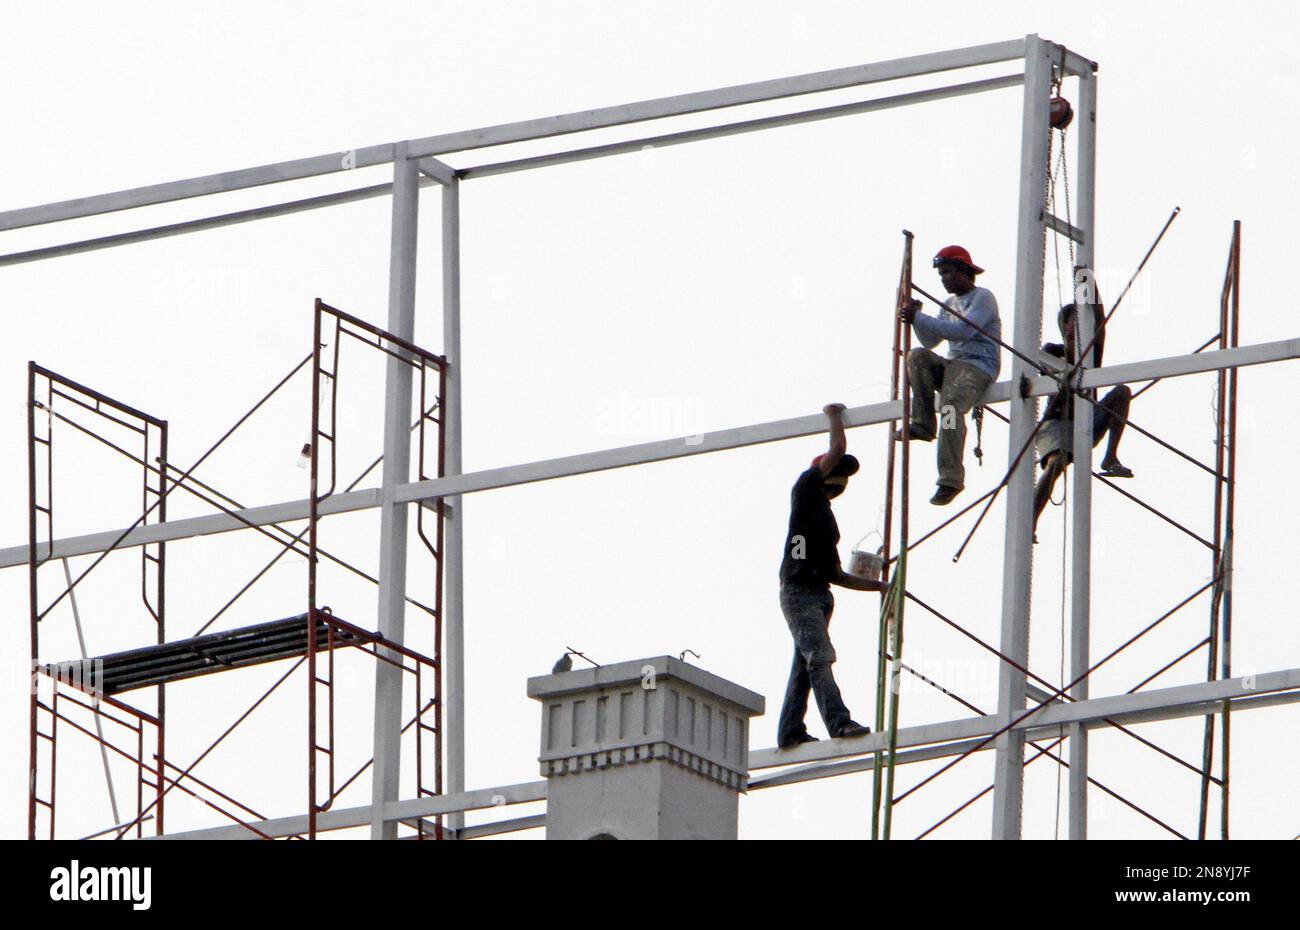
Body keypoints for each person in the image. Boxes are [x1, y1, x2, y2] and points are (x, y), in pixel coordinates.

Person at [776, 403, 884, 750]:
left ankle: (790, 730)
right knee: (819, 657)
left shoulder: (824, 518)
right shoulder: (805, 491)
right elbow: (837, 449)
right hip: (800, 592)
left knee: (805, 665)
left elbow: (836, 574)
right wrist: (835, 416)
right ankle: (839, 723)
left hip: (819, 594)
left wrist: (879, 586)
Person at [897, 245, 1002, 505]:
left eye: (949, 273)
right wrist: (917, 319)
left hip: (977, 366)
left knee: (951, 407)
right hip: (953, 365)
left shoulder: (983, 297)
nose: (945, 279)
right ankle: (922, 423)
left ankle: (950, 478)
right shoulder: (948, 304)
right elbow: (931, 341)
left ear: (965, 272)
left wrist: (920, 318)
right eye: (941, 274)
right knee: (917, 356)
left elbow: (964, 332)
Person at [1033, 301, 1134, 531]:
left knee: (1122, 392)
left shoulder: (1091, 353)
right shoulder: (1051, 351)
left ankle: (1110, 457)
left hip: (1086, 422)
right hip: (1057, 423)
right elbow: (1047, 369)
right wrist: (1064, 369)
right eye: (1072, 324)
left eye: (1082, 324)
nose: (1077, 330)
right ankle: (1030, 522)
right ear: (1064, 327)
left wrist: (1086, 281)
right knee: (1055, 464)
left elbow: (1100, 321)